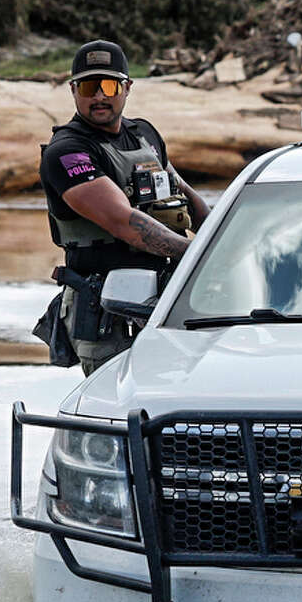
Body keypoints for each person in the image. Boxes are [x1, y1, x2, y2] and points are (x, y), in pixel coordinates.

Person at [38, 39, 210, 373]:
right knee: (117, 410)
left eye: (109, 85)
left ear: (127, 87)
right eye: (89, 86)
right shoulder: (67, 151)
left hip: (166, 303)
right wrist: (203, 256)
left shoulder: (143, 134)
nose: (99, 96)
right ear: (73, 90)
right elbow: (126, 223)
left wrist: (227, 241)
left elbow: (187, 197)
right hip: (107, 314)